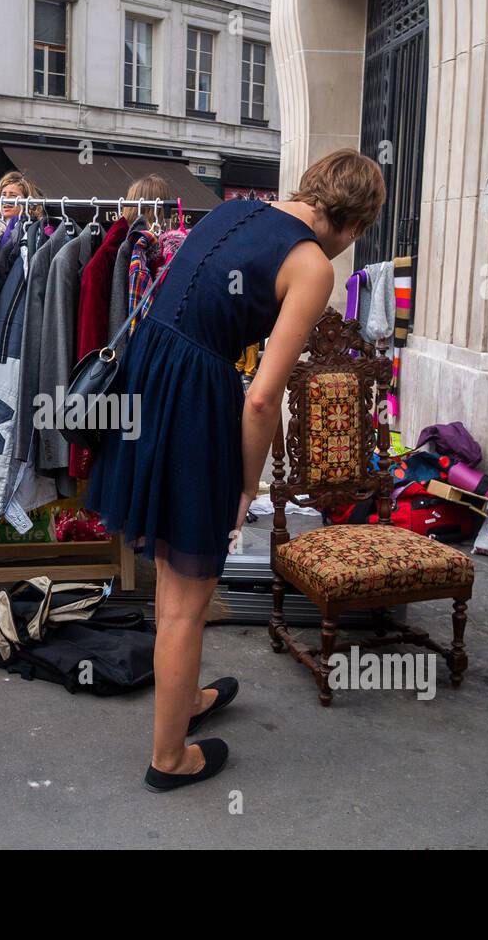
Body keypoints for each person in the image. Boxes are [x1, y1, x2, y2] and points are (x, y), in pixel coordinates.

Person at [87, 149, 386, 791]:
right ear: (355, 223)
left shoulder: (235, 210)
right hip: (193, 403)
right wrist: (247, 484)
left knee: (171, 570)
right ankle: (169, 758)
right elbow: (261, 397)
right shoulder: (310, 265)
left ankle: (184, 696)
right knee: (185, 598)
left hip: (146, 381)